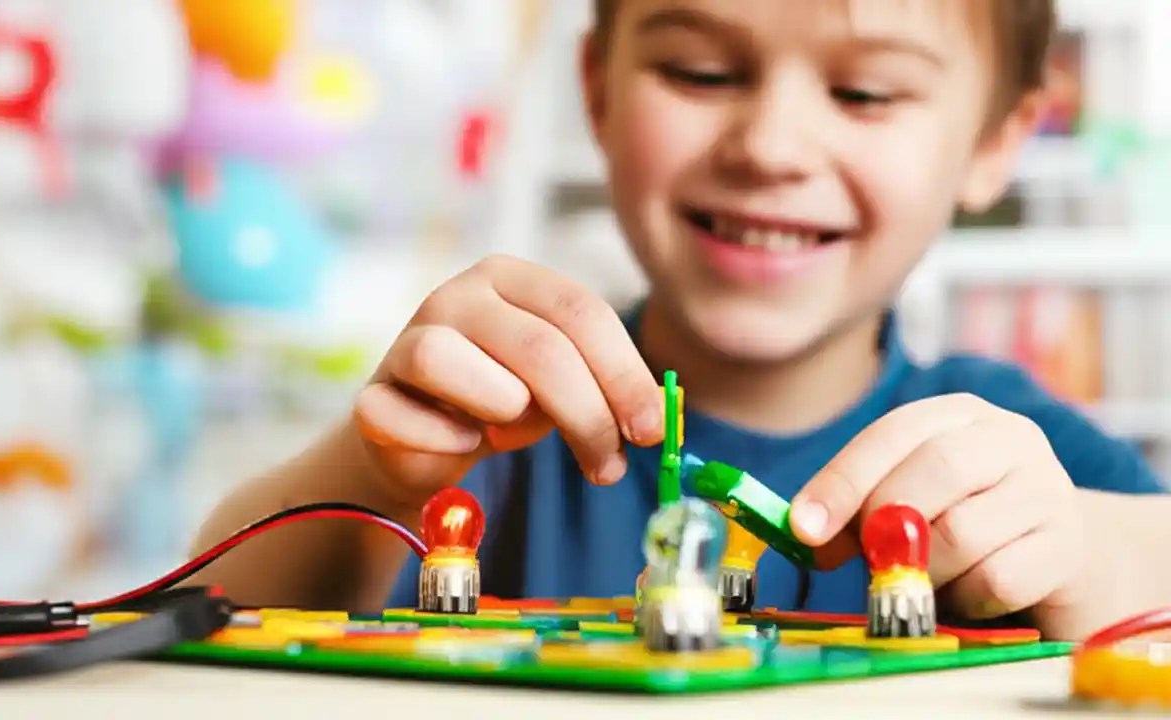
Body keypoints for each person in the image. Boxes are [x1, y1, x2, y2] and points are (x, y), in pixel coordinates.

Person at [188, 0, 1171, 641]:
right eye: (700, 72)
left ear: (993, 142)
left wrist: (1085, 552)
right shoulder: (494, 421)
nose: (769, 146)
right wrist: (370, 476)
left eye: (862, 92)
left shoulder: (1019, 454)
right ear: (596, 95)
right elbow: (201, 616)